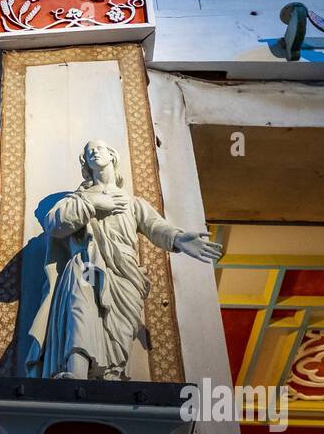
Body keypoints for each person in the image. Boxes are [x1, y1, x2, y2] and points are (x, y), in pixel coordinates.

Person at [26, 139, 222, 380]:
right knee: (81, 303)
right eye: (88, 152)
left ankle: (111, 375)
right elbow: (54, 224)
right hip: (86, 263)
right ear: (85, 163)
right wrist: (93, 202)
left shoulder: (133, 203)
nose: (94, 152)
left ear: (112, 155)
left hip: (125, 273)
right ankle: (75, 370)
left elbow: (155, 226)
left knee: (117, 329)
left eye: (99, 148)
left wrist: (180, 239)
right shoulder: (76, 199)